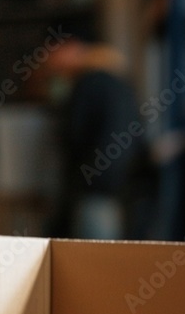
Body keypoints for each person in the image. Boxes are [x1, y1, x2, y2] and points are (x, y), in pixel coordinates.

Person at [45, 36, 157, 240]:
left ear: (72, 47)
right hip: (123, 189)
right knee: (111, 257)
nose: (50, 60)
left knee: (93, 260)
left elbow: (74, 136)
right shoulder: (120, 82)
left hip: (94, 188)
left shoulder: (87, 84)